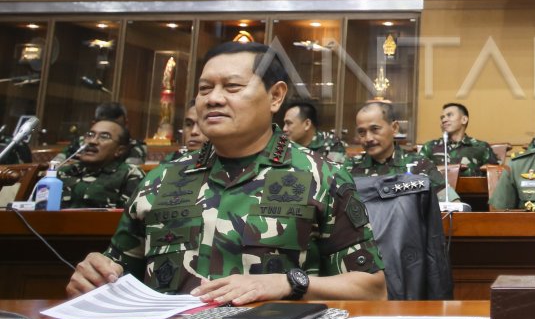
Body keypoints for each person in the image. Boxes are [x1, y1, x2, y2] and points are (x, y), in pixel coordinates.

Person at [66, 41, 385, 303]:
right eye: (205, 89)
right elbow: (117, 273)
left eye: (232, 87)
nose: (214, 98)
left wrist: (290, 282)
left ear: (275, 97)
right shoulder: (160, 180)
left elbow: (372, 290)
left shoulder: (323, 178)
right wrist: (95, 276)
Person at [346, 101, 446, 195]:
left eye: (375, 129)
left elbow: (451, 205)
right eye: (361, 132)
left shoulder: (419, 165)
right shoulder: (349, 168)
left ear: (394, 128)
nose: (368, 138)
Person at [57, 119, 145, 209]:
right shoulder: (64, 172)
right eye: (90, 135)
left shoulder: (129, 175)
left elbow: (131, 219)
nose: (92, 141)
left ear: (119, 150)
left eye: (104, 137)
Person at [418, 102, 498, 177]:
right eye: (442, 117)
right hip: (436, 191)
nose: (444, 120)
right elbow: (417, 172)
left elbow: (496, 174)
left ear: (464, 120)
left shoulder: (481, 147)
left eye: (449, 115)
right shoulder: (430, 147)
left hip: (470, 190)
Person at [56, 101, 148, 165]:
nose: (93, 142)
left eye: (105, 136)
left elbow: (130, 170)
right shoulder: (82, 141)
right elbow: (55, 165)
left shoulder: (134, 146)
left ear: (126, 124)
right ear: (94, 124)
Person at [281, 99, 347, 165]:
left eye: (289, 123)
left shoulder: (332, 144)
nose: (284, 129)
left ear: (307, 124)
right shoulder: (282, 143)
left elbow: (335, 173)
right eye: (284, 124)